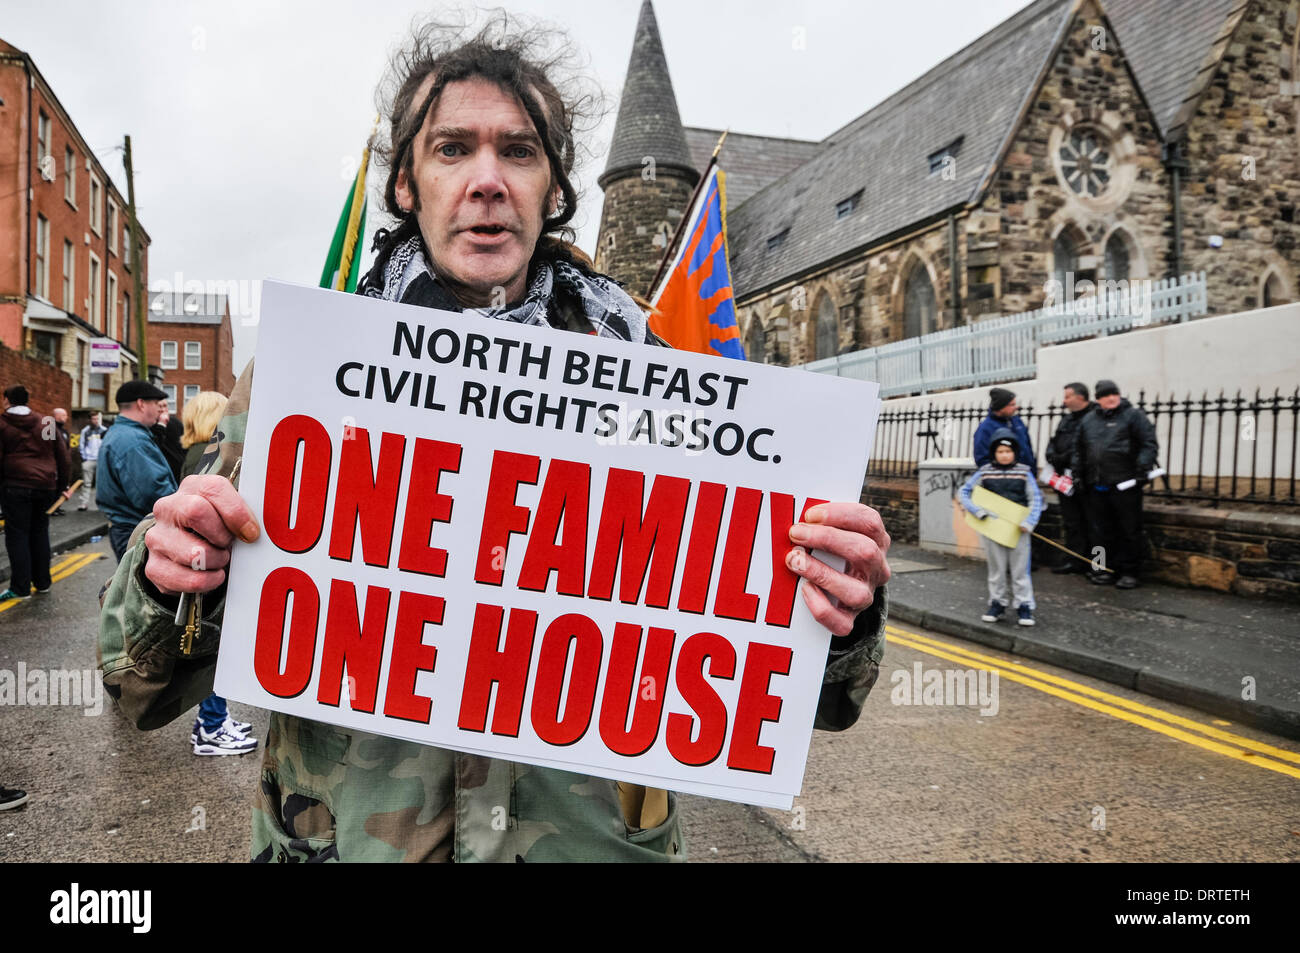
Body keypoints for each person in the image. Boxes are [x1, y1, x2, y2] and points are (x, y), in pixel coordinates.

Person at [98, 14, 892, 863]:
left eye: (518, 150)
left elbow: (814, 701)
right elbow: (136, 684)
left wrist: (840, 615)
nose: (487, 179)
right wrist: (172, 576)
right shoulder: (306, 376)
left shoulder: (662, 384)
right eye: (451, 149)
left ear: (553, 187)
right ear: (405, 182)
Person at [179, 391, 257, 757]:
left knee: (213, 649)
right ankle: (210, 728)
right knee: (214, 650)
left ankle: (213, 721)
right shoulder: (215, 461)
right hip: (212, 569)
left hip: (204, 567)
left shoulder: (196, 454)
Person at [1071, 379, 1159, 589]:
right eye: (1105, 395)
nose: (1111, 398)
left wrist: (1141, 469)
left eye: (1114, 394)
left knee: (1128, 529)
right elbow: (1079, 449)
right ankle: (1100, 568)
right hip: (1096, 484)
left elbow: (1148, 444)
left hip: (1125, 484)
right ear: (1098, 399)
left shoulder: (1134, 416)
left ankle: (1129, 571)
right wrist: (1078, 474)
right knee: (1098, 531)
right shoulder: (1088, 420)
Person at [959, 428, 1044, 626]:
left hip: (1019, 530)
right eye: (1000, 451)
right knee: (996, 570)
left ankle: (1024, 605)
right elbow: (965, 491)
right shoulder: (985, 471)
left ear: (1015, 452)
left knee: (1020, 570)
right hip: (992, 530)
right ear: (993, 453)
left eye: (1008, 451)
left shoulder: (1024, 472)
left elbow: (1035, 499)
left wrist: (1029, 522)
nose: (1004, 455)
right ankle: (997, 603)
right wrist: (977, 511)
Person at [0, 386, 71, 602]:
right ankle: (42, 583)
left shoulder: (2, 424)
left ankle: (20, 587)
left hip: (15, 486)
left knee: (18, 535)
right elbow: (62, 457)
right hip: (45, 487)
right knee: (40, 532)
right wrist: (61, 487)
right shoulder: (46, 423)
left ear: (7, 400)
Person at [96, 381, 178, 561]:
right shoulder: (133, 441)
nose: (160, 410)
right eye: (156, 404)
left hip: (126, 527)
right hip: (137, 530)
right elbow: (153, 494)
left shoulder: (121, 432)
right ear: (141, 404)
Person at [1044, 382, 1095, 573]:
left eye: (1067, 396)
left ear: (1080, 397)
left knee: (1093, 524)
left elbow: (1083, 447)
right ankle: (1074, 560)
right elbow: (1054, 441)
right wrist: (1052, 456)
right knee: (1071, 522)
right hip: (1065, 480)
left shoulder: (1093, 417)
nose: (1064, 401)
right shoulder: (1066, 420)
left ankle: (1096, 563)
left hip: (1085, 479)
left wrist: (1065, 458)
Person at [973, 387, 1034, 468]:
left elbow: (1028, 449)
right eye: (1012, 405)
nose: (1016, 407)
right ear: (1001, 407)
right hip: (999, 477)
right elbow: (982, 458)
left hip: (1025, 475)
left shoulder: (1017, 422)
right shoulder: (985, 428)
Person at [50, 408, 82, 518]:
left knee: (61, 485)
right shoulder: (50, 429)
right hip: (54, 463)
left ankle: (57, 507)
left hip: (63, 464)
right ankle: (51, 507)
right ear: (56, 416)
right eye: (63, 415)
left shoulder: (64, 431)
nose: (66, 418)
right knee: (54, 485)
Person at [77, 411, 108, 511]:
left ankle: (102, 505)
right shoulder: (85, 431)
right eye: (94, 419)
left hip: (101, 460)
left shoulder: (104, 430)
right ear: (90, 420)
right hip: (89, 460)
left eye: (97, 419)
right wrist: (85, 458)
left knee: (102, 484)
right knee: (86, 483)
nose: (96, 421)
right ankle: (84, 503)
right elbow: (81, 445)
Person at [150, 406, 186, 485]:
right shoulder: (152, 427)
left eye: (165, 406)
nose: (163, 409)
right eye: (160, 406)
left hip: (175, 471)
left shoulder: (175, 422)